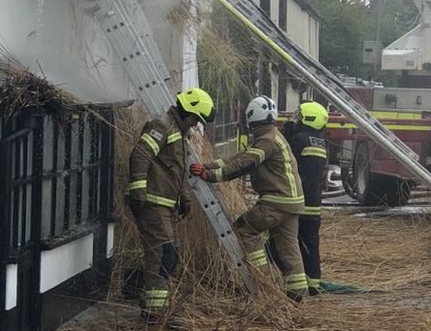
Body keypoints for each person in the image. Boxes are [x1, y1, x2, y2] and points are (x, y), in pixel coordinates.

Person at [190, 95, 307, 302]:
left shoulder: (266, 141)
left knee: (244, 230)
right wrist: (208, 166)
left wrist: (211, 176)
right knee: (288, 249)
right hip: (292, 203)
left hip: (276, 202)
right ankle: (296, 295)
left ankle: (263, 280)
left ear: (251, 117)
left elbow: (245, 163)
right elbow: (238, 157)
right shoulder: (272, 136)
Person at [126, 88, 215, 316]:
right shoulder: (162, 125)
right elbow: (140, 155)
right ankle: (154, 315)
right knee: (164, 254)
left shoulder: (178, 132)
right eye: (195, 119)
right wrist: (138, 190)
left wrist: (184, 196)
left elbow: (176, 170)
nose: (195, 125)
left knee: (168, 254)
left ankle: (148, 301)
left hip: (165, 204)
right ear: (187, 111)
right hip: (152, 203)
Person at [283, 101, 329, 295]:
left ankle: (293, 283)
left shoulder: (299, 139)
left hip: (299, 201)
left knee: (290, 242)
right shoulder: (320, 141)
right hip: (314, 203)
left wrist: (286, 133)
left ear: (308, 118)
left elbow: (286, 160)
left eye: (299, 116)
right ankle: (313, 284)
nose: (296, 119)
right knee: (310, 244)